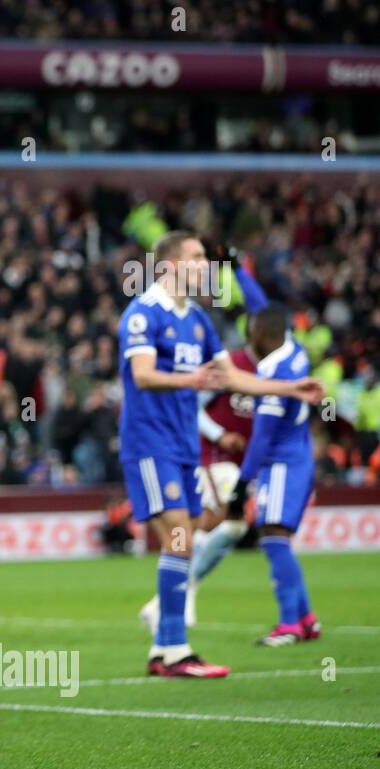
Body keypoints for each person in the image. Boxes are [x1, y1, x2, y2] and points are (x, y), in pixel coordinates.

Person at [118, 231, 321, 678]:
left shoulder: (197, 321)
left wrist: (289, 387)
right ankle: (175, 650)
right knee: (179, 537)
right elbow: (143, 374)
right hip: (150, 443)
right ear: (170, 265)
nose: (204, 267)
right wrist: (190, 380)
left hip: (184, 448)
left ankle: (164, 650)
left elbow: (231, 378)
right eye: (195, 259)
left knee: (185, 540)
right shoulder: (143, 313)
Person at [138, 253, 268, 633]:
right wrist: (218, 434)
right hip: (212, 459)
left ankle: (171, 598)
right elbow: (192, 405)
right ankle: (173, 608)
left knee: (220, 528)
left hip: (242, 465)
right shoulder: (233, 364)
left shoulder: (267, 371)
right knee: (219, 525)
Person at [229, 308, 323, 646]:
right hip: (299, 454)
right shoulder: (295, 351)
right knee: (276, 537)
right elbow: (262, 306)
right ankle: (306, 618)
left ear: (262, 335)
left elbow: (262, 437)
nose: (247, 338)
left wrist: (241, 484)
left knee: (273, 536)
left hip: (281, 464)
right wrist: (237, 269)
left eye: (251, 331)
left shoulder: (272, 373)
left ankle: (289, 625)